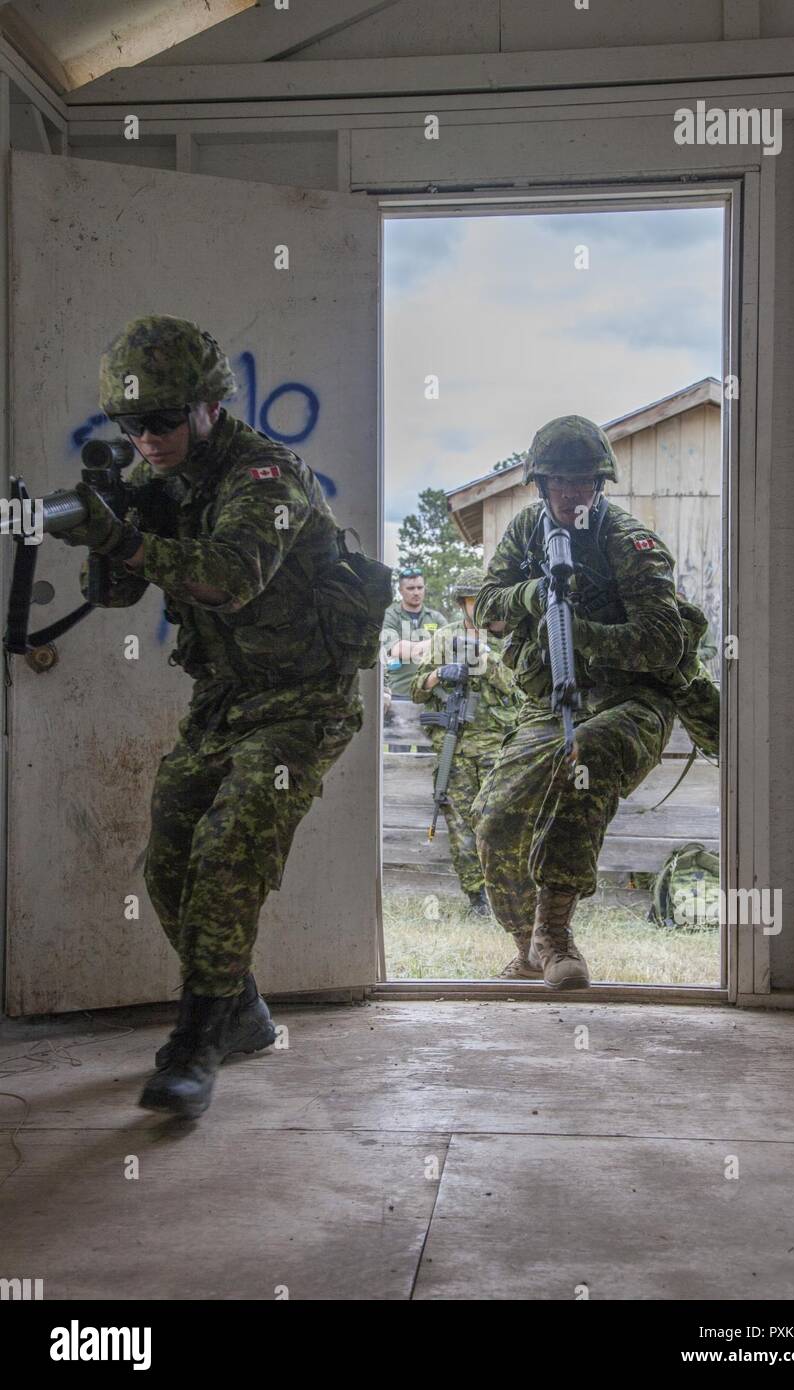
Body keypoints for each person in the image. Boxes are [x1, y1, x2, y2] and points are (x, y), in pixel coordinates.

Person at [51, 315, 364, 1118]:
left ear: (207, 407)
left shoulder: (268, 479)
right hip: (224, 701)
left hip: (303, 702)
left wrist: (119, 534)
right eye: (131, 425)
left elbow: (228, 579)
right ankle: (243, 1011)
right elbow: (115, 594)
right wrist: (111, 519)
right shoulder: (168, 485)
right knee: (168, 865)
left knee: (229, 846)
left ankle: (194, 1042)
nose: (146, 438)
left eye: (160, 420)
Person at [472, 415, 713, 988]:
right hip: (553, 700)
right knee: (495, 816)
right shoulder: (526, 531)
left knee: (585, 753)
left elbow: (663, 642)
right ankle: (529, 947)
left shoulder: (629, 543)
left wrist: (578, 630)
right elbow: (485, 608)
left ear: (600, 485)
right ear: (540, 484)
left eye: (584, 482)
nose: (572, 493)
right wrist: (532, 596)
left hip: (634, 700)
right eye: (560, 482)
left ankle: (556, 932)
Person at [410, 568, 522, 917]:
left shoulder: (507, 639)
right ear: (463, 603)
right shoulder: (445, 638)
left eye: (488, 600)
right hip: (454, 749)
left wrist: (485, 659)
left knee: (497, 822)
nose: (482, 608)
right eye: (475, 601)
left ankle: (504, 894)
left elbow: (517, 690)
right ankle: (477, 900)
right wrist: (438, 674)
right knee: (459, 827)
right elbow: (415, 690)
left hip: (496, 748)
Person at [380, 568, 448, 700]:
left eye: (420, 587)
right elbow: (396, 650)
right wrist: (435, 643)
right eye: (410, 588)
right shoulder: (390, 616)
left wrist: (413, 648)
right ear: (400, 590)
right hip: (399, 693)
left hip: (430, 694)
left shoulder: (435, 617)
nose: (416, 592)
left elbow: (449, 646)